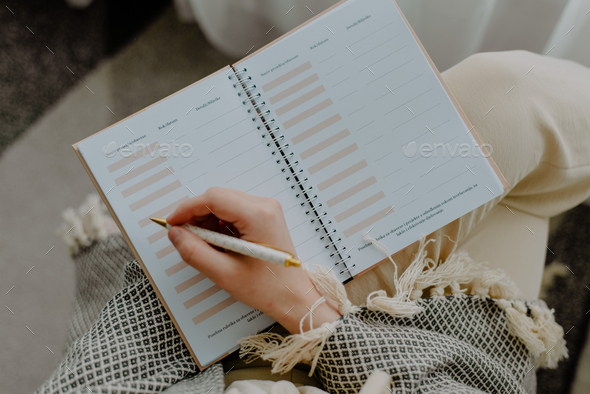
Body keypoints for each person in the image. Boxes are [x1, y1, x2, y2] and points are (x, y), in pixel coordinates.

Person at [38, 50, 590, 394]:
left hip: (202, 354)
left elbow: (94, 379)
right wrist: (303, 308)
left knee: (497, 94)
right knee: (519, 106)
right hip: (413, 355)